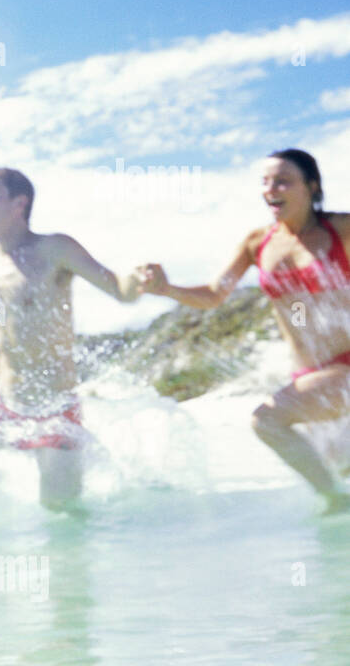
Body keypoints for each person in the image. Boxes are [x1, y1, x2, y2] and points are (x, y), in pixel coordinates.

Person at [138, 149, 350, 514]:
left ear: (311, 186)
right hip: (308, 375)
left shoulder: (342, 229)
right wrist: (168, 289)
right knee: (337, 465)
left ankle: (335, 504)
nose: (271, 189)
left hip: (345, 365)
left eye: (283, 180)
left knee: (267, 421)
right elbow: (216, 293)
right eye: (265, 182)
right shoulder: (257, 244)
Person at [0, 168, 143, 510]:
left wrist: (140, 279)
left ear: (19, 203)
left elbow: (119, 290)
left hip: (54, 410)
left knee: (62, 516)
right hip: (3, 403)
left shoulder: (55, 248)